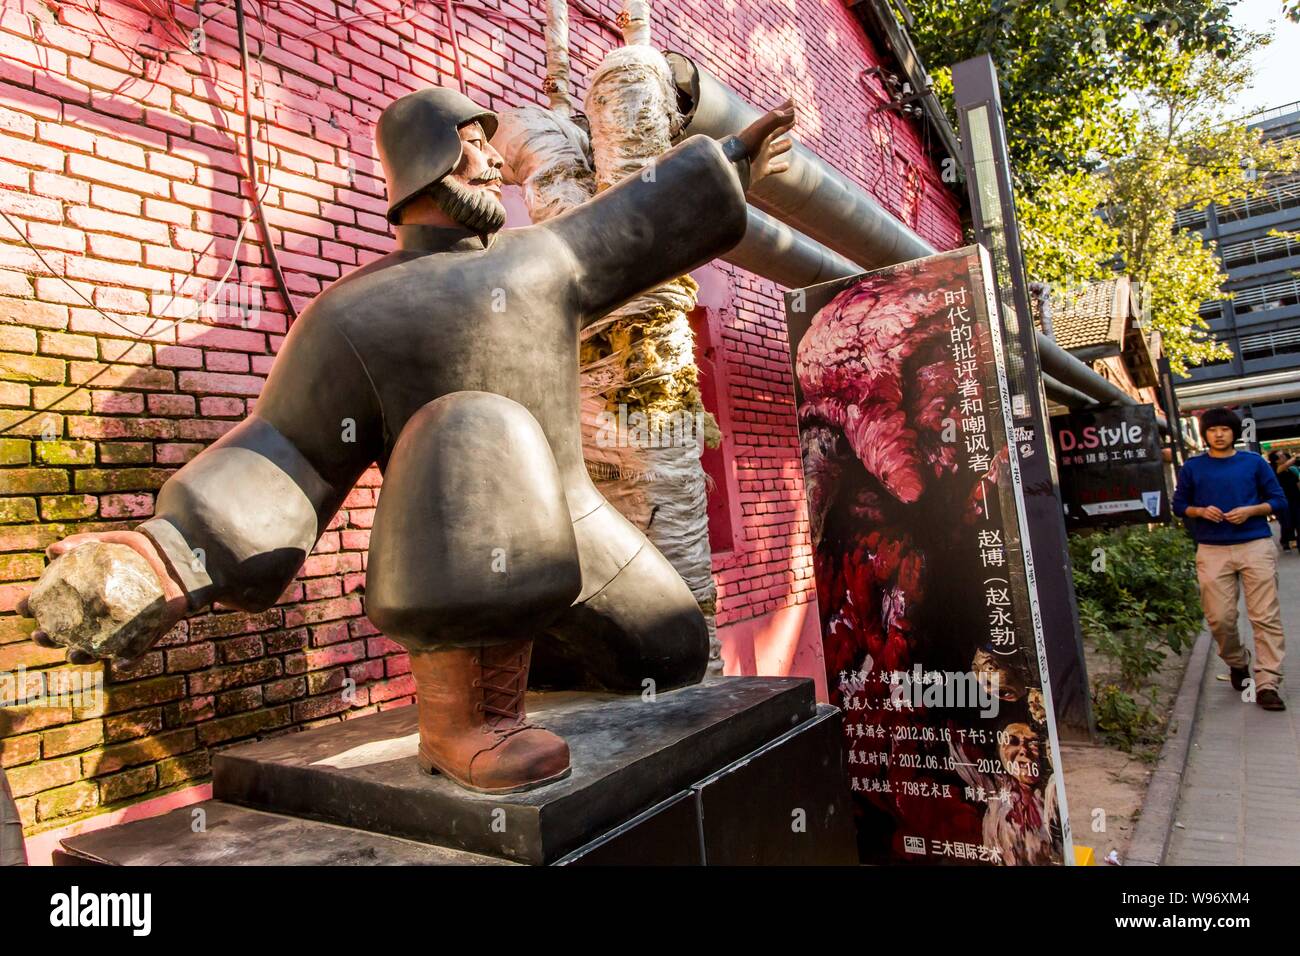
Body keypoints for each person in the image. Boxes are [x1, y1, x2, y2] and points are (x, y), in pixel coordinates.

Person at [21, 87, 797, 794]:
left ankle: (534, 651)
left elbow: (640, 223)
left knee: (667, 652)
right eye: (474, 145)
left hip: (575, 531)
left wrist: (729, 160)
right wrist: (161, 556)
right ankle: (465, 720)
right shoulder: (351, 315)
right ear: (428, 161)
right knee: (475, 424)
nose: (496, 162)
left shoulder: (544, 259)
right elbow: (285, 452)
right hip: (457, 550)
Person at [1172, 407, 1289, 711]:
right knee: (1220, 619)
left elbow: (1279, 500)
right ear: (1205, 434)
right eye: (1212, 430)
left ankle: (1267, 683)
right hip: (1211, 549)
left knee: (1265, 616)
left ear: (1234, 432)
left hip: (1255, 545)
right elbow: (1179, 504)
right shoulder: (1193, 467)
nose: (1219, 434)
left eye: (1225, 429)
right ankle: (1238, 662)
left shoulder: (1253, 463)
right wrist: (1200, 511)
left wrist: (1251, 510)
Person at [1269, 449, 1300, 552]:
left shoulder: (1290, 470)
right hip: (1284, 501)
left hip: (1295, 499)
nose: (1284, 457)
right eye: (1281, 456)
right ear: (1276, 460)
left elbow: (1297, 483)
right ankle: (1285, 541)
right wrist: (1295, 457)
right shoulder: (1275, 469)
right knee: (1287, 523)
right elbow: (1283, 467)